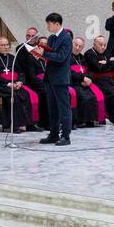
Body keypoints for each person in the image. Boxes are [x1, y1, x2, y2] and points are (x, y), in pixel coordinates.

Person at [0, 36, 35, 133]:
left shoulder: (12, 57)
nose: (6, 47)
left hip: (14, 84)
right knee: (14, 96)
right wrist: (9, 84)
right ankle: (13, 125)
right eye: (3, 45)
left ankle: (27, 124)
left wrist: (20, 82)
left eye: (7, 45)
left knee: (25, 94)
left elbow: (21, 72)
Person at [40, 13, 75, 145]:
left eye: (49, 24)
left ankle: (66, 136)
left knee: (64, 108)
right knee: (52, 107)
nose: (48, 26)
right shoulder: (51, 38)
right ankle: (53, 134)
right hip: (49, 77)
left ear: (57, 24)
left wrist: (44, 53)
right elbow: (50, 54)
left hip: (60, 78)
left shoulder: (66, 38)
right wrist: (41, 54)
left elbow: (61, 57)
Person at [85, 36, 114, 124]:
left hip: (110, 78)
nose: (103, 47)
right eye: (100, 45)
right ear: (94, 44)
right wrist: (110, 63)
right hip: (98, 80)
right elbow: (97, 68)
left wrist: (106, 63)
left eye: (104, 45)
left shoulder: (106, 52)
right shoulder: (89, 53)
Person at [69, 35, 103, 127]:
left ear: (82, 48)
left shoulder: (82, 58)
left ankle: (90, 120)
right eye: (76, 45)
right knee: (84, 97)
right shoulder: (67, 56)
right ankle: (80, 121)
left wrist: (89, 79)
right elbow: (68, 72)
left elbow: (89, 70)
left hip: (84, 82)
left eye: (80, 46)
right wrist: (82, 78)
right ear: (72, 44)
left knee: (93, 96)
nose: (77, 48)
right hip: (73, 82)